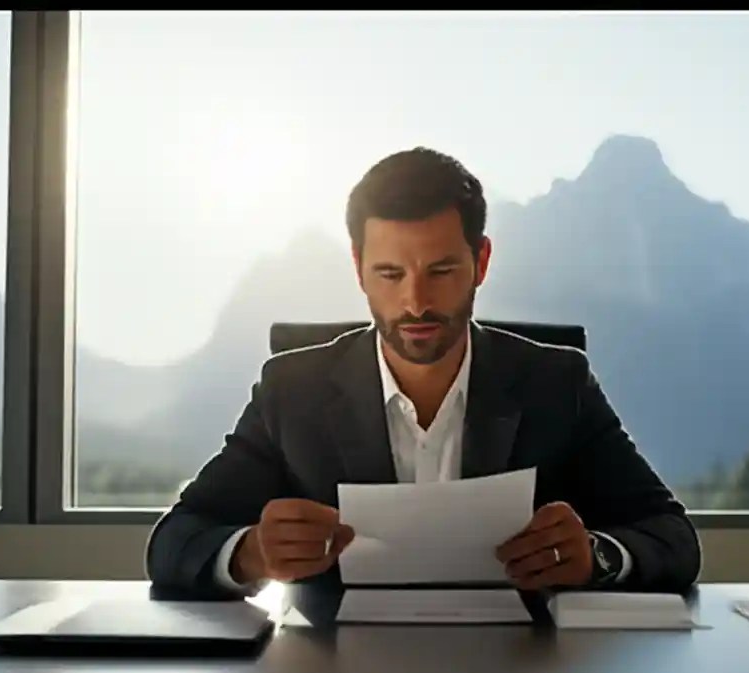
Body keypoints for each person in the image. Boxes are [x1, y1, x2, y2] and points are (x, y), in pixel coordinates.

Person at [145, 147, 701, 598]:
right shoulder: (292, 393)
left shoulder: (558, 385)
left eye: (440, 270)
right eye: (389, 273)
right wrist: (250, 554)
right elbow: (175, 539)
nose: (414, 303)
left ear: (480, 263)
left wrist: (597, 557)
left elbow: (673, 537)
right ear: (358, 268)